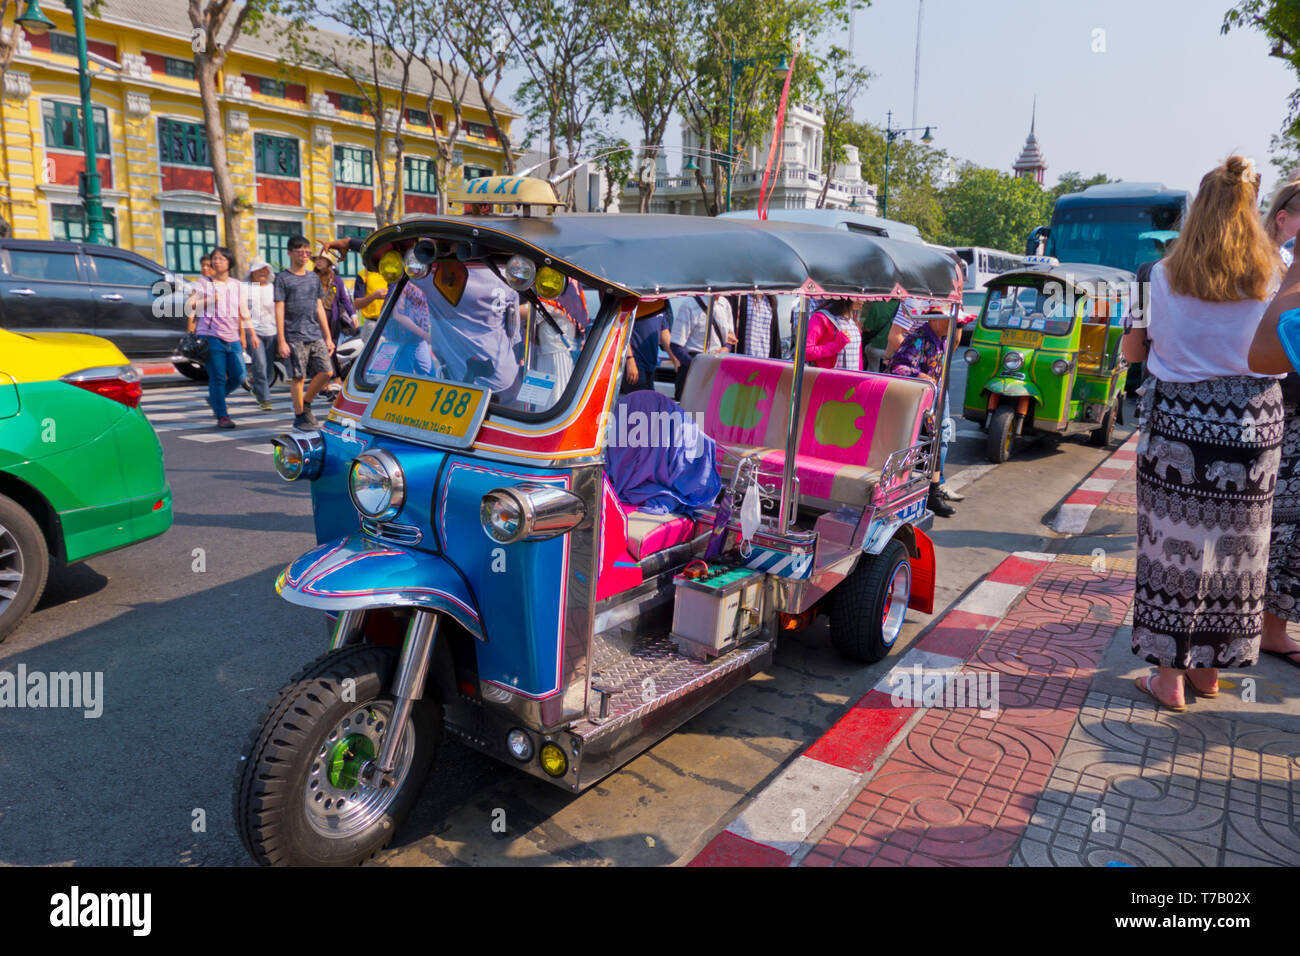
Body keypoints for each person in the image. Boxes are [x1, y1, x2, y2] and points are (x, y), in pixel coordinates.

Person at [1122, 155, 1284, 711]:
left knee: (1175, 549)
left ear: (1196, 212)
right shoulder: (1274, 276)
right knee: (1237, 553)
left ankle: (1168, 676)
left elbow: (1133, 352)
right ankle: (1210, 671)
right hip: (1254, 424)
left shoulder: (1153, 277)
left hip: (1179, 425)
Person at [1248, 173, 1300, 670]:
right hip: (1283, 410)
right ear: (1283, 219)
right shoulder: (1270, 270)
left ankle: (1274, 627)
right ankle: (1261, 626)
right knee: (1280, 526)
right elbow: (1265, 352)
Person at [186, 246, 249, 429]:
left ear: (229, 262)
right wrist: (210, 300)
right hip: (210, 336)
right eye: (215, 258)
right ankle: (222, 415)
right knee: (218, 377)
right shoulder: (203, 283)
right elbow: (190, 305)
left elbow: (242, 310)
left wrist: (247, 333)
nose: (217, 261)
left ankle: (215, 398)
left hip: (233, 337)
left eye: (221, 258)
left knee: (239, 375)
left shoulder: (236, 284)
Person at [275, 235, 333, 431]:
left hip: (314, 333)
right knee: (298, 377)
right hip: (294, 335)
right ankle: (300, 415)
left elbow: (319, 307)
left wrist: (328, 337)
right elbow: (279, 308)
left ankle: (306, 403)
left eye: (307, 252)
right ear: (290, 253)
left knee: (327, 371)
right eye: (300, 251)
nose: (305, 255)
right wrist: (281, 340)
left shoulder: (313, 278)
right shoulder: (283, 278)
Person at [670, 294, 735, 401]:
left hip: (717, 365)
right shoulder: (689, 305)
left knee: (711, 410)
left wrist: (726, 348)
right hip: (692, 365)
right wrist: (695, 365)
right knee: (689, 412)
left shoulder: (725, 304)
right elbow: (676, 345)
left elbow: (730, 339)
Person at [315, 253, 358, 396]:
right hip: (315, 318)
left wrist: (353, 315)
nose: (318, 262)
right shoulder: (312, 278)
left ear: (329, 262)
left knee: (330, 349)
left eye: (322, 259)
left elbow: (345, 300)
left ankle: (334, 380)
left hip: (332, 319)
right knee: (319, 350)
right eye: (316, 259)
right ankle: (327, 381)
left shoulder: (336, 280)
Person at [244, 258, 277, 412]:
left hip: (272, 331)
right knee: (260, 364)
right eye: (259, 270)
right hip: (253, 331)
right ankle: (265, 399)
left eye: (265, 269)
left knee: (269, 368)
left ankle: (258, 388)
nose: (262, 273)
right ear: (252, 272)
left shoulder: (274, 288)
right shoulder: (244, 288)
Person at [623, 300, 676, 394]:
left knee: (648, 404)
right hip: (635, 365)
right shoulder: (634, 302)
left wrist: (675, 359)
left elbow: (664, 333)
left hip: (651, 365)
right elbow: (623, 331)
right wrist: (629, 360)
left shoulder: (659, 305)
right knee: (637, 404)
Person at [803, 299, 853, 368]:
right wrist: (835, 345)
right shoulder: (820, 318)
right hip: (829, 376)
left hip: (854, 376)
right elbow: (804, 352)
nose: (863, 301)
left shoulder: (851, 319)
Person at [732, 293, 782, 359]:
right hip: (742, 359)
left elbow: (775, 336)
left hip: (764, 361)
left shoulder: (769, 300)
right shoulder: (740, 296)